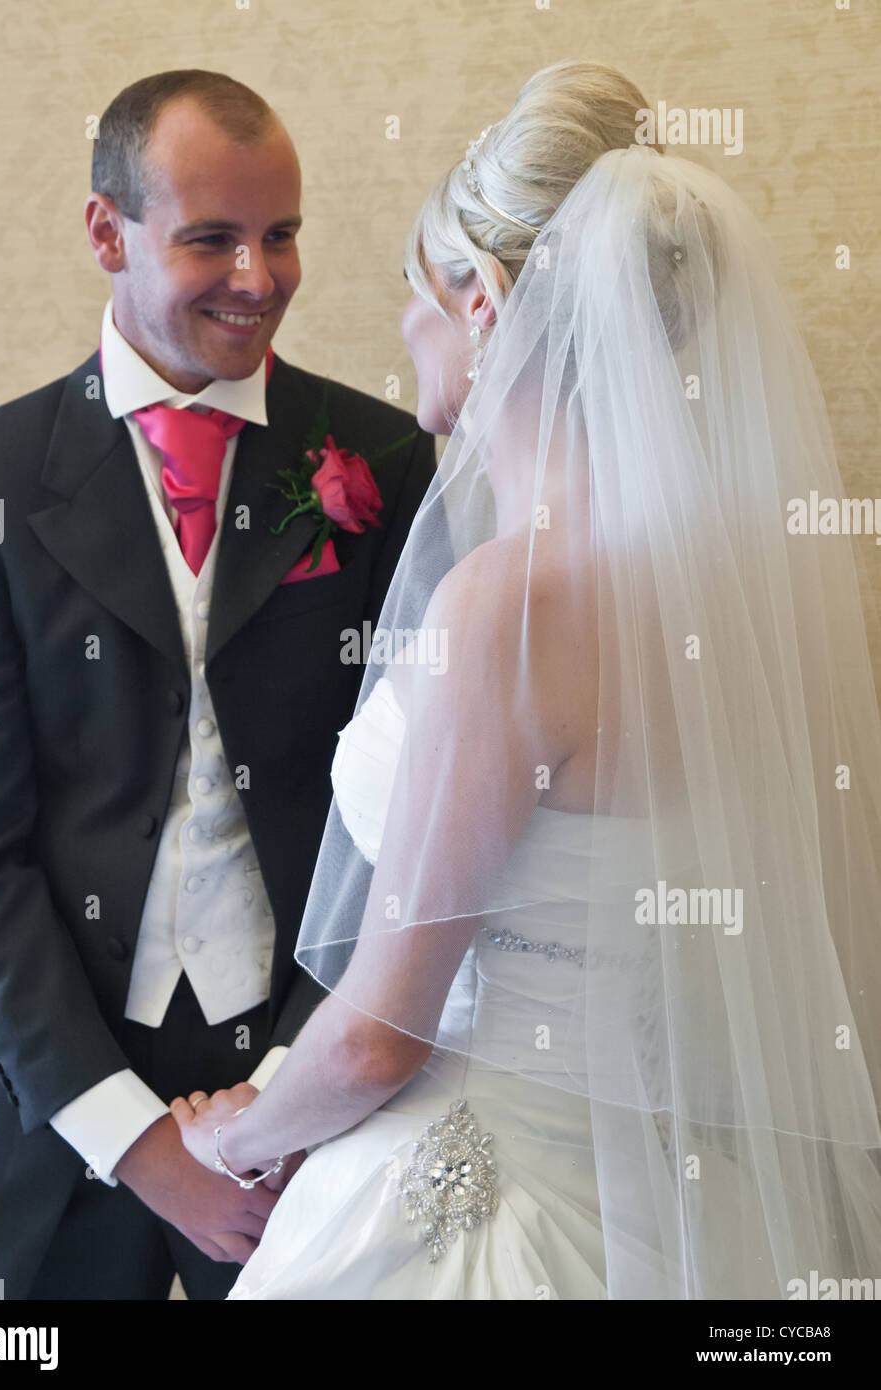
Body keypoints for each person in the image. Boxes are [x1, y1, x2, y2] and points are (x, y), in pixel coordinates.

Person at [173, 59, 881, 1299]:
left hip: (476, 1206)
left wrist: (225, 1139)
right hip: (667, 1215)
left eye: (413, 293)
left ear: (484, 300)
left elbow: (384, 1034)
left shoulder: (511, 601)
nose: (401, 329)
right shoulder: (721, 592)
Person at [0, 70, 436, 1300]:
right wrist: (141, 1145)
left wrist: (289, 1092)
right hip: (47, 1126)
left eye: (283, 234)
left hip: (305, 1126)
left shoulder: (383, 460)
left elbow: (407, 810)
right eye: (212, 238)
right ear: (108, 232)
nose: (258, 277)